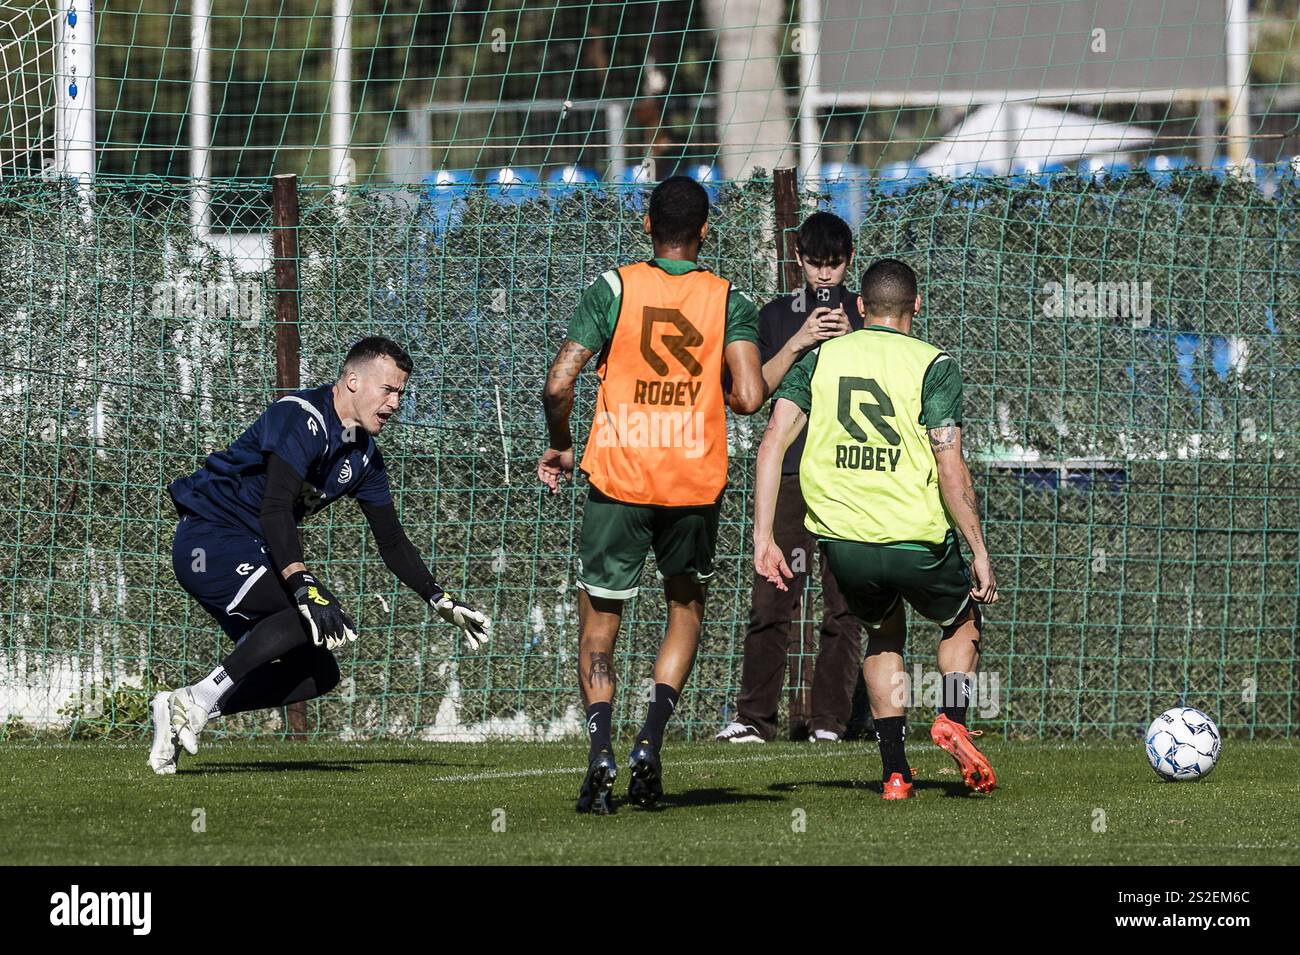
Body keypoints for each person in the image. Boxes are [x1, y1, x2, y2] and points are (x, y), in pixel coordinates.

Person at [149, 336, 490, 774]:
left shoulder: (364, 456)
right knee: (300, 614)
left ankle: (189, 706)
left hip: (254, 549)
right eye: (388, 389)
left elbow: (392, 541)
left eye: (401, 392)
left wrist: (437, 597)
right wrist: (303, 582)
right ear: (352, 380)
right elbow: (275, 508)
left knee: (317, 671)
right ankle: (194, 700)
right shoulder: (302, 416)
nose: (396, 402)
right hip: (209, 539)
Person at [538, 175, 766, 814]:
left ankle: (601, 751)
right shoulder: (730, 299)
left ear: (646, 225)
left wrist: (560, 442)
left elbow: (560, 383)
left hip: (619, 480)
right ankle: (650, 741)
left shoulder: (614, 287)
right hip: (693, 483)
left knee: (599, 626)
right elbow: (748, 397)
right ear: (705, 232)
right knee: (684, 610)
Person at [753, 259, 999, 800]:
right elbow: (949, 463)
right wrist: (978, 548)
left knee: (884, 632)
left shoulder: (819, 359)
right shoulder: (934, 364)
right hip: (916, 536)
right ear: (917, 307)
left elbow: (771, 442)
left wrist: (763, 537)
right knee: (960, 619)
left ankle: (894, 773)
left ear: (860, 308)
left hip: (845, 543)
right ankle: (953, 717)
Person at [714, 210, 865, 745]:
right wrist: (800, 340)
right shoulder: (776, 316)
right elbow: (751, 397)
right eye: (816, 264)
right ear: (798, 260)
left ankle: (830, 722)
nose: (826, 276)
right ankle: (754, 719)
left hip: (851, 474)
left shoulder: (866, 313)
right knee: (772, 597)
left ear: (850, 261)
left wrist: (854, 342)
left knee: (846, 605)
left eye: (836, 264)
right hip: (793, 471)